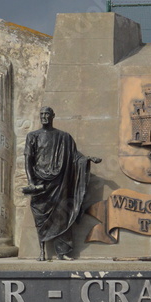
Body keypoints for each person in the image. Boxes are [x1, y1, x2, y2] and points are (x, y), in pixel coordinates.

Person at [23, 106, 101, 260]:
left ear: (53, 116)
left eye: (47, 114)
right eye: (42, 114)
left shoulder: (64, 137)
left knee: (61, 215)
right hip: (41, 184)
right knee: (40, 217)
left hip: (60, 183)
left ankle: (62, 252)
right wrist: (32, 182)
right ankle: (42, 252)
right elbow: (28, 160)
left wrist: (87, 159)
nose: (44, 117)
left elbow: (75, 157)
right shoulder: (33, 136)